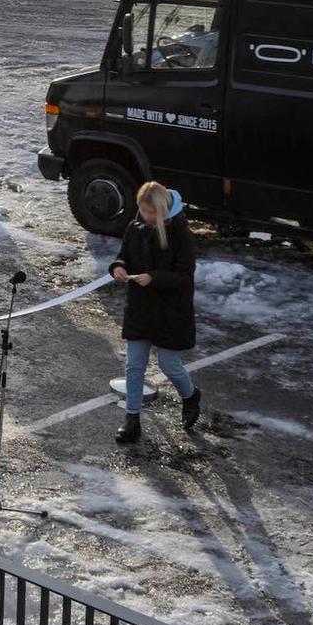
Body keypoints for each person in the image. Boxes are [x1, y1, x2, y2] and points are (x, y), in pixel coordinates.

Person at [110, 181, 203, 445]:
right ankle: (132, 419)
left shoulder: (181, 235)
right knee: (134, 366)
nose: (145, 216)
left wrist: (154, 278)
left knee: (169, 364)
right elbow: (123, 256)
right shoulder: (135, 227)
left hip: (170, 312)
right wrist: (118, 267)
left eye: (151, 212)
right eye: (142, 210)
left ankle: (190, 395)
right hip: (141, 308)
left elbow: (184, 276)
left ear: (162, 210)